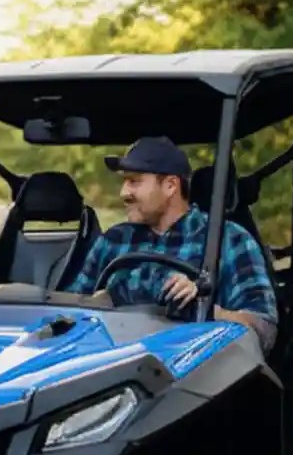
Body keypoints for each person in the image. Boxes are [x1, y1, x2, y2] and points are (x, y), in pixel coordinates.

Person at [64, 136, 278, 352]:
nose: (124, 193)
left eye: (134, 181)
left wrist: (202, 310)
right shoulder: (113, 241)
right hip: (109, 367)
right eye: (124, 182)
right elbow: (67, 311)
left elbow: (262, 331)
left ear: (170, 186)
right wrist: (103, 300)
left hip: (194, 376)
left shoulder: (230, 239)